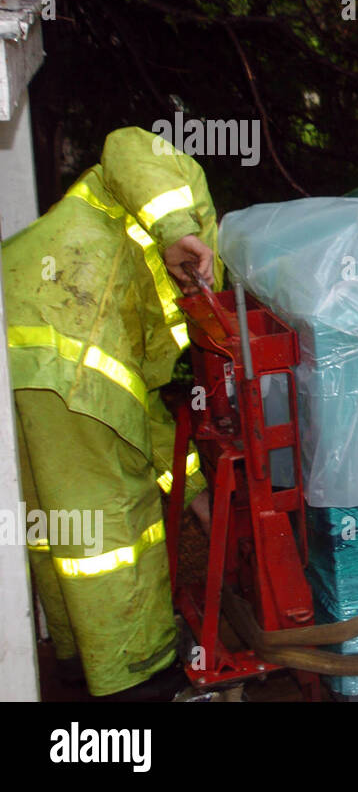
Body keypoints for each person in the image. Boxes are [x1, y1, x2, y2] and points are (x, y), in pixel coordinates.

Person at [4, 126, 220, 698]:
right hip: (68, 355)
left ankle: (80, 660)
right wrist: (179, 230)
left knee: (57, 526)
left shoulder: (177, 286)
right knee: (118, 526)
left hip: (24, 353)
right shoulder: (193, 223)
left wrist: (195, 491)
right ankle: (139, 679)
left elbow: (143, 407)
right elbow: (127, 142)